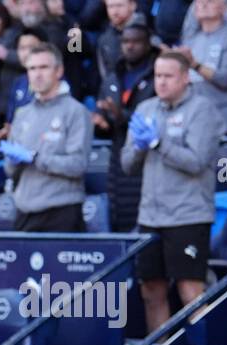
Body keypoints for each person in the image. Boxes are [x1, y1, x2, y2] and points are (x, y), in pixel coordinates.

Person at [121, 51, 225, 333]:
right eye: (157, 76)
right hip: (151, 215)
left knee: (190, 291)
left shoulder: (202, 110)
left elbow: (197, 162)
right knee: (150, 290)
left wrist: (157, 143)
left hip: (187, 215)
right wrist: (140, 147)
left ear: (185, 78)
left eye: (168, 76)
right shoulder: (146, 109)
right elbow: (127, 164)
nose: (161, 82)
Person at [0, 44, 93, 232]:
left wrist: (36, 158)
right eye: (32, 69)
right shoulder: (22, 114)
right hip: (25, 210)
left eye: (44, 67)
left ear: (59, 71)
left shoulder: (76, 111)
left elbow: (78, 165)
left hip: (62, 211)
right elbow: (9, 170)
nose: (37, 74)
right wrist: (12, 160)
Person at [96, 16, 159, 232]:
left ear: (148, 44)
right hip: (118, 153)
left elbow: (154, 118)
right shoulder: (114, 75)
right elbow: (105, 118)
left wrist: (121, 116)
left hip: (148, 156)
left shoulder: (157, 75)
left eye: (136, 41)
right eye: (125, 42)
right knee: (119, 213)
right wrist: (101, 123)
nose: (129, 46)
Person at [179, 0, 227, 135]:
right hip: (192, 123)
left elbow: (226, 79)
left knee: (225, 157)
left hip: (223, 123)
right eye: (199, 1)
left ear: (225, 8)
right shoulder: (190, 40)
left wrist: (194, 64)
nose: (203, 4)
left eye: (210, 1)